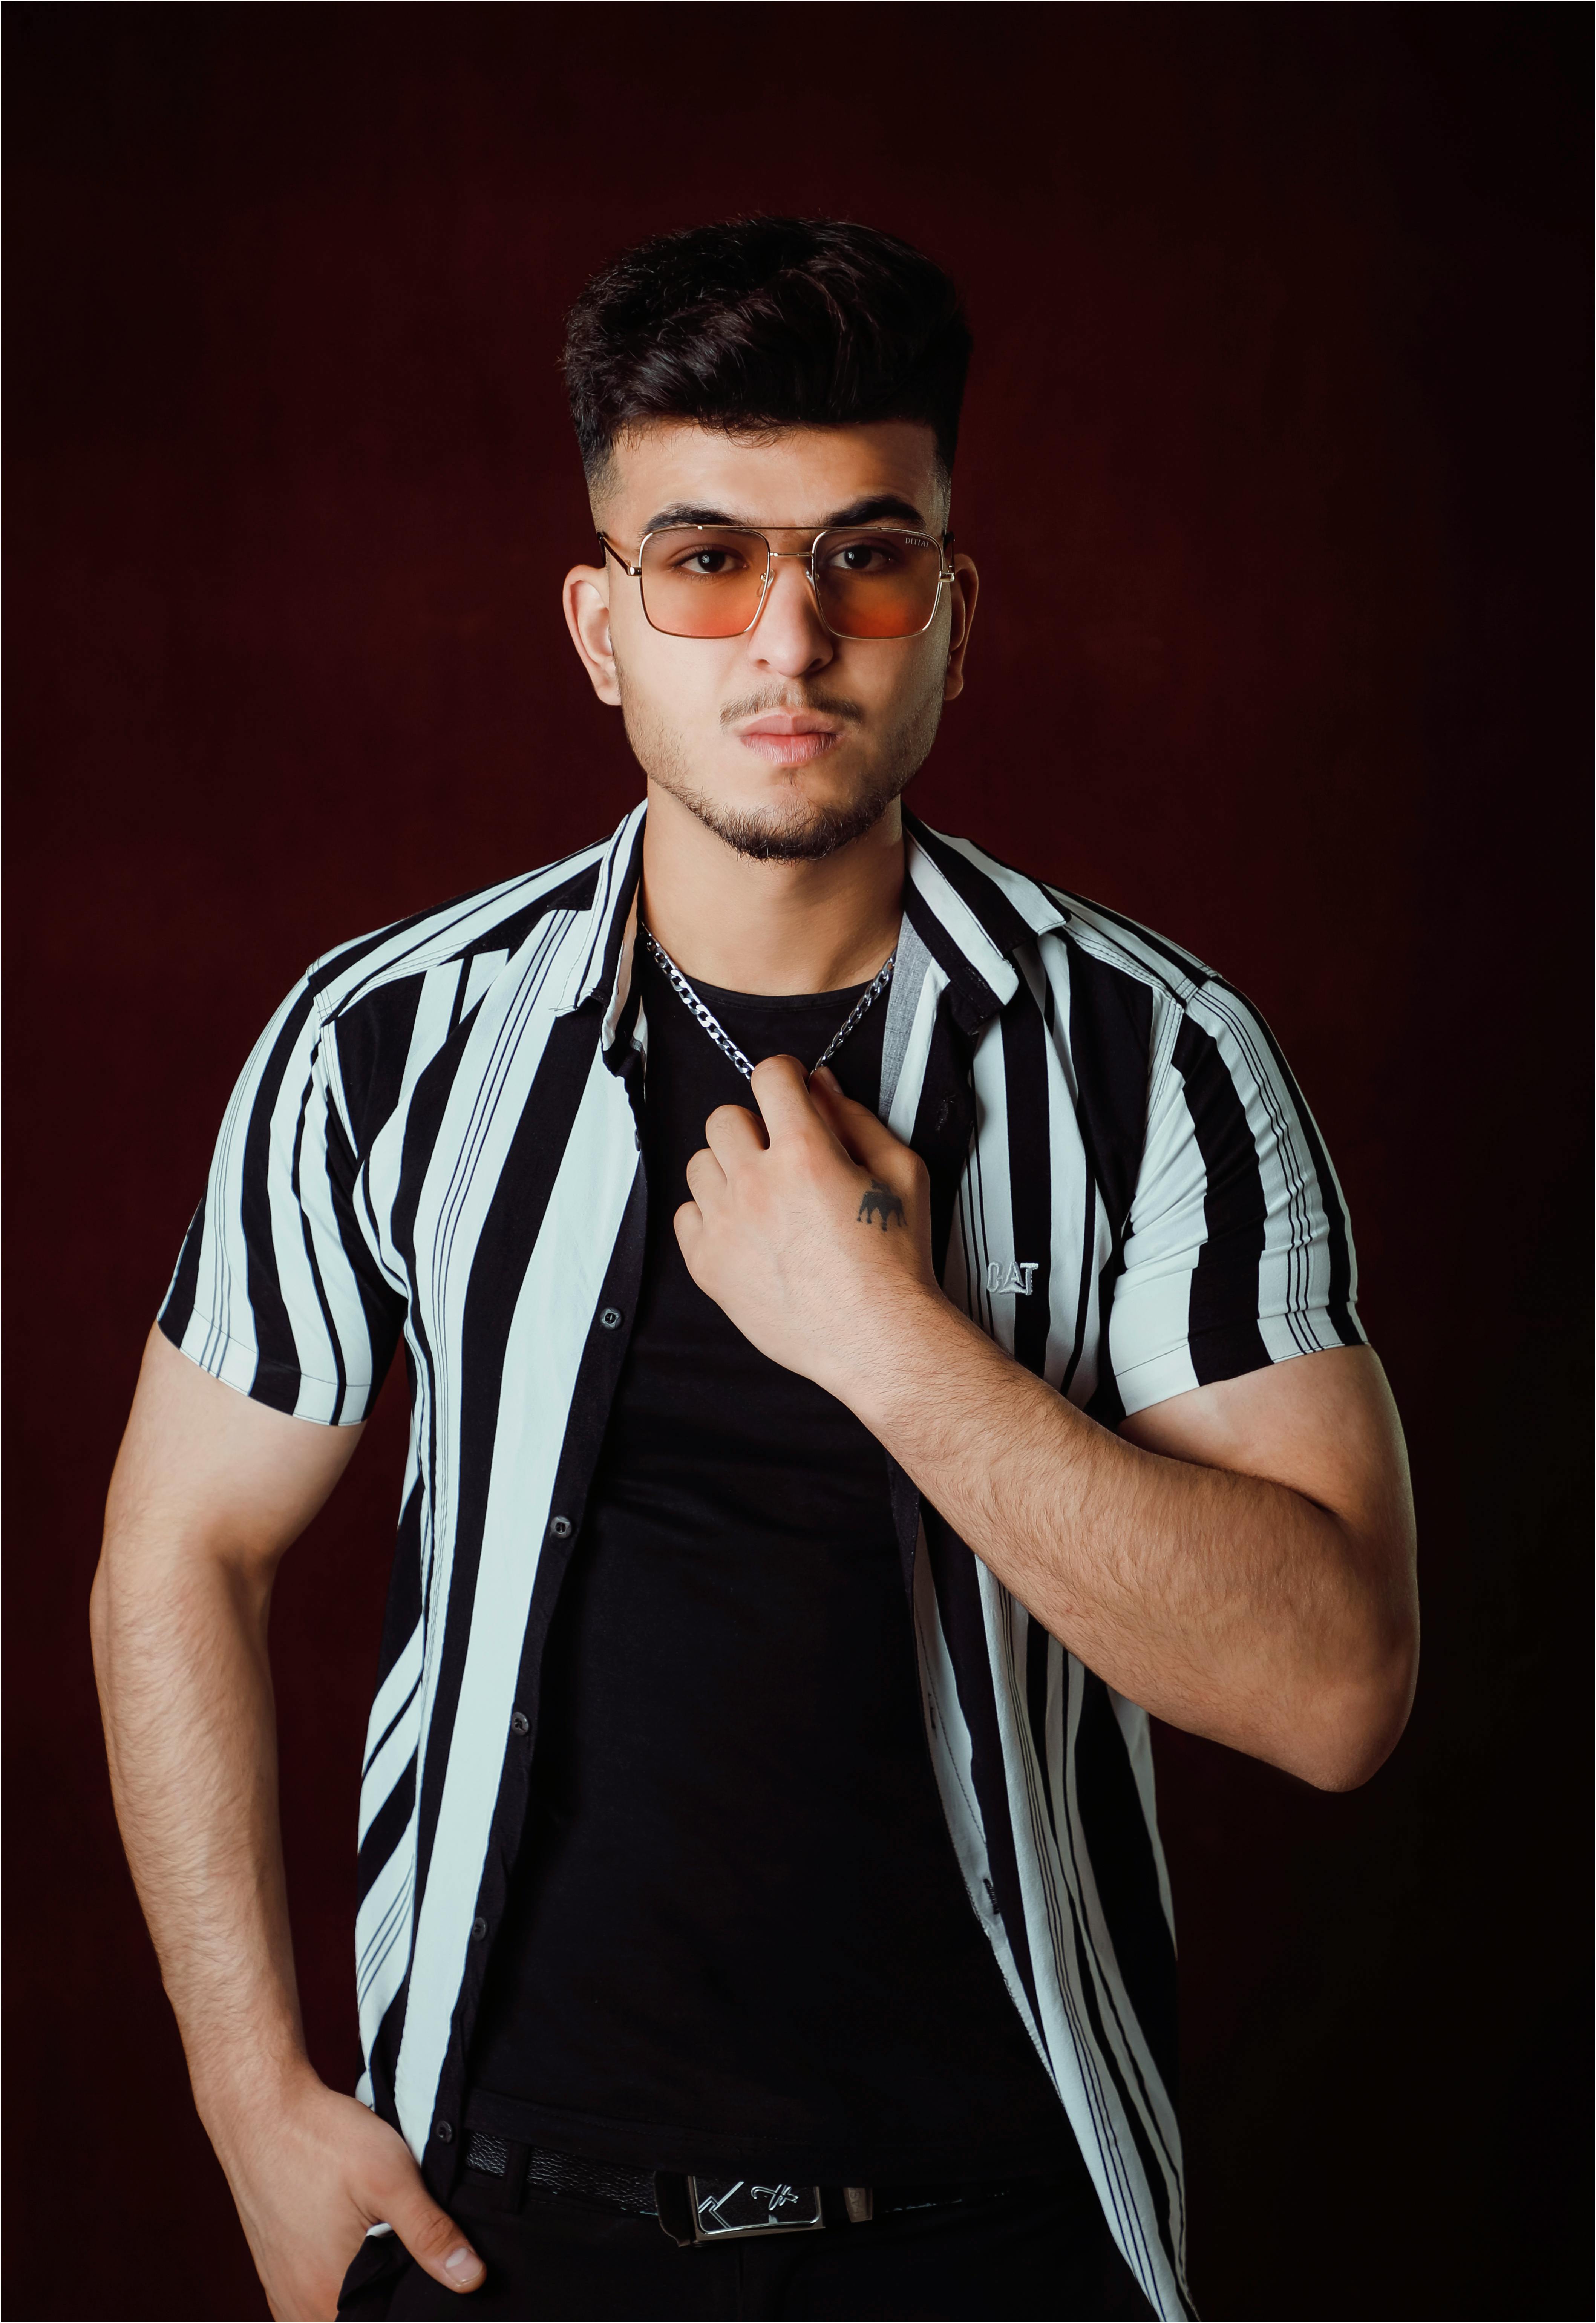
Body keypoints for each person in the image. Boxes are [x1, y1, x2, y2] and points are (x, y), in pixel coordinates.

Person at [92, 216, 1418, 2323]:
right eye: (705, 557)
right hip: (491, 2234)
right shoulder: (382, 1048)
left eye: (862, 555)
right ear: (601, 623)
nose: (787, 639)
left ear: (958, 616)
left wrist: (894, 1347)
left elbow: (1339, 1684)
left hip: (1002, 2240)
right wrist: (252, 2091)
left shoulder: (1150, 1059)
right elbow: (176, 1549)